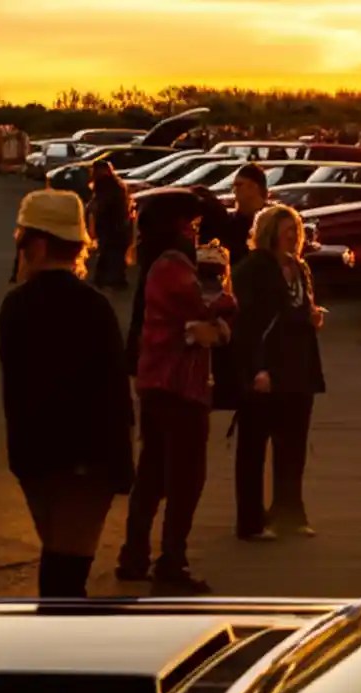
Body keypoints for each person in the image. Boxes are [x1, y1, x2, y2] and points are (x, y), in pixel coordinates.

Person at [0, 190, 134, 597]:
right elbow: (115, 392)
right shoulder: (94, 306)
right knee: (68, 573)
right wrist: (123, 466)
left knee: (58, 568)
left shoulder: (16, 306)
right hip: (91, 463)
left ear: (36, 245)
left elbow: (17, 391)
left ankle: (54, 650)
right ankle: (63, 651)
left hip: (38, 460)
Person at [117, 191, 233, 594]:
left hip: (156, 382)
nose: (196, 233)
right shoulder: (175, 267)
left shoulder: (158, 264)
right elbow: (213, 308)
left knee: (152, 471)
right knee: (184, 477)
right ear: (178, 226)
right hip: (179, 385)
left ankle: (134, 554)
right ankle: (171, 559)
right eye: (192, 225)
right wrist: (219, 320)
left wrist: (212, 328)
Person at [232, 205, 326, 541]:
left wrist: (311, 316)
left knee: (293, 445)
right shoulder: (253, 269)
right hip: (266, 368)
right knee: (254, 446)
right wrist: (256, 368)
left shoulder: (299, 268)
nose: (294, 236)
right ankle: (251, 520)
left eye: (297, 230)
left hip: (298, 368)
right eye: (288, 229)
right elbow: (247, 324)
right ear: (270, 232)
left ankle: (290, 513)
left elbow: (296, 310)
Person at [86, 160, 133, 290]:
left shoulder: (108, 186)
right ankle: (107, 279)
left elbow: (105, 205)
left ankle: (111, 280)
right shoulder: (113, 185)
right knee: (110, 254)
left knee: (111, 254)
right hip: (114, 226)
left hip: (113, 227)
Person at [220, 163, 269, 264]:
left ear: (253, 187)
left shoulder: (273, 219)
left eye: (239, 185)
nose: (235, 191)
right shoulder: (229, 223)